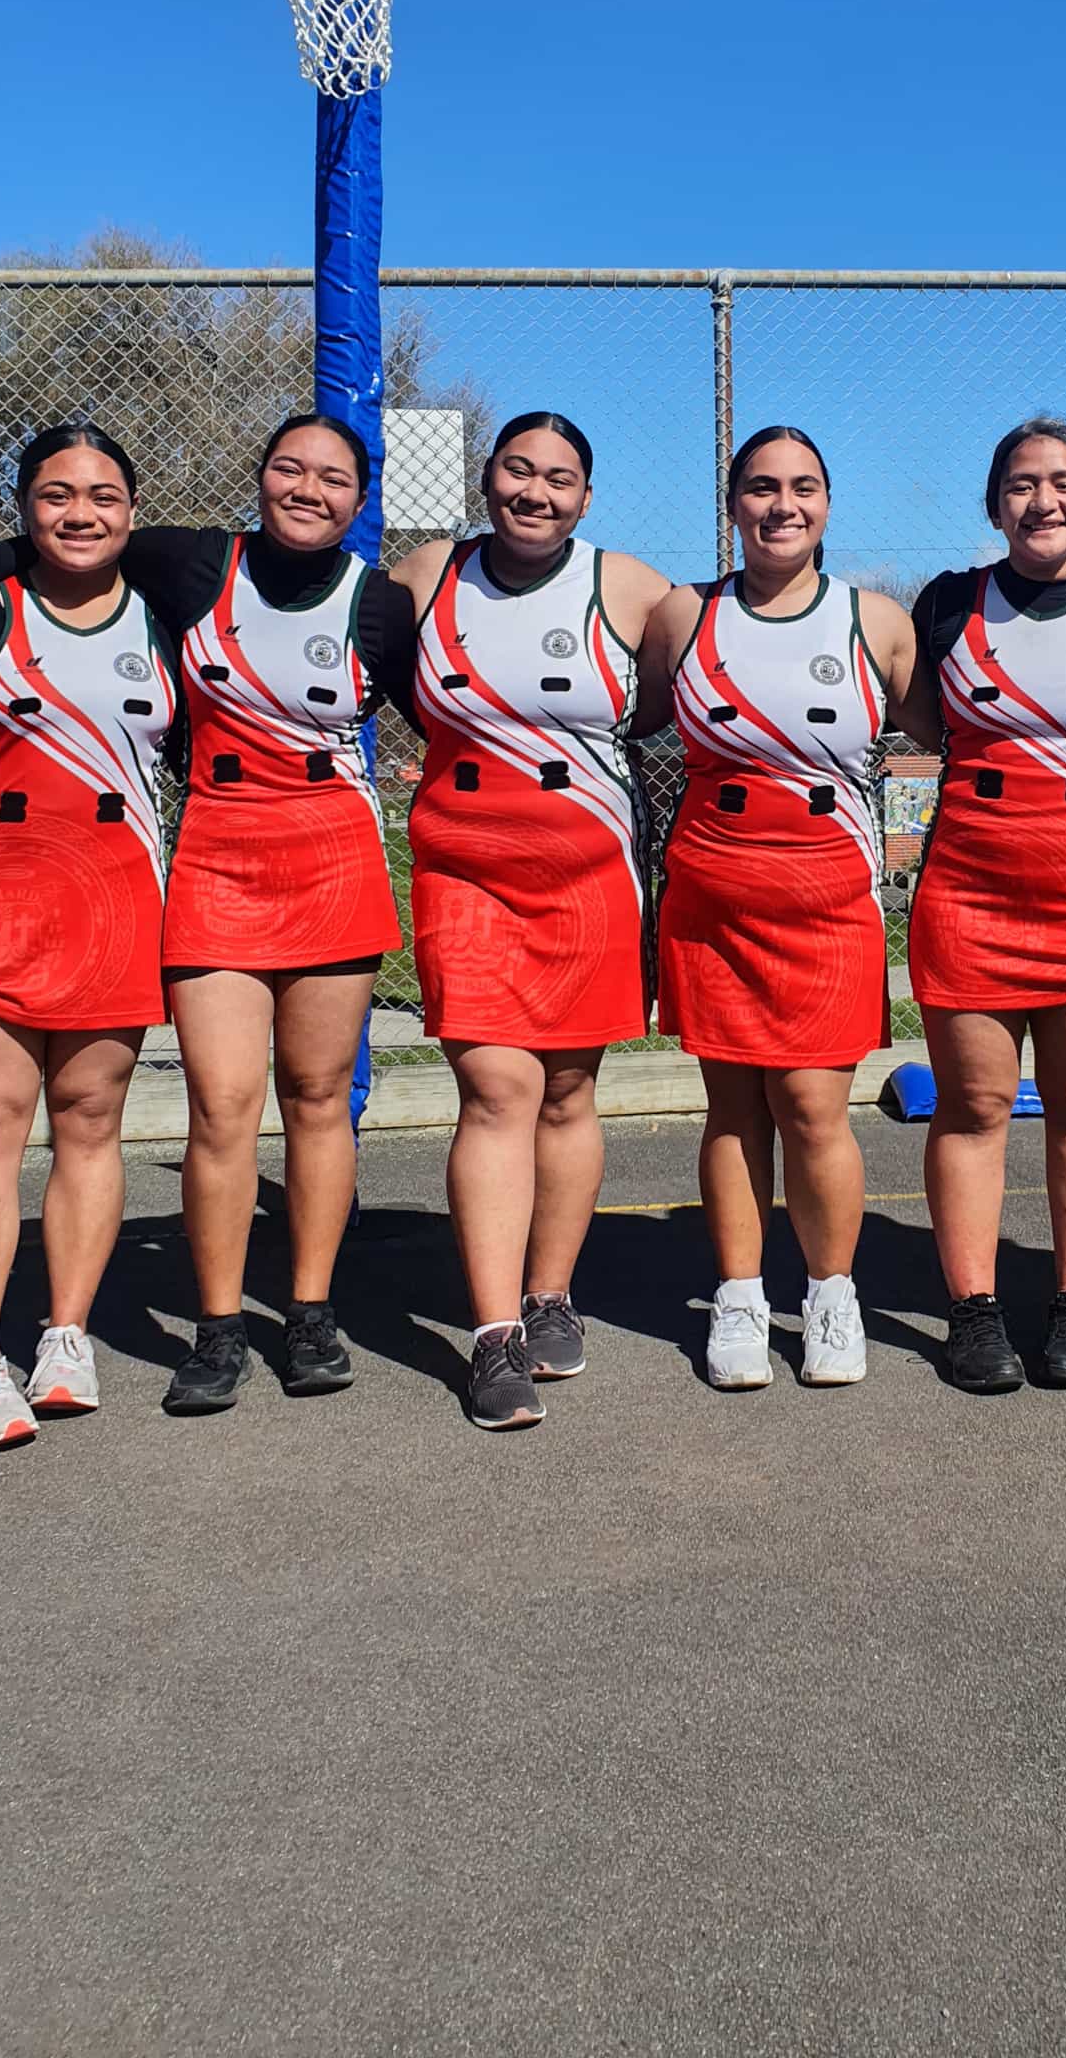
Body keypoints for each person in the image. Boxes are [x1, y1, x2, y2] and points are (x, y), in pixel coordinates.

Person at [0, 414, 418, 1418]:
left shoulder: (383, 604)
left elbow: (454, 705)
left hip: (329, 860)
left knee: (316, 1097)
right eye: (286, 467)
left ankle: (309, 1312)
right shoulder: (185, 567)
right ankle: (213, 1328)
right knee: (220, 1105)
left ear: (362, 498)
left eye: (333, 476)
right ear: (258, 477)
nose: (307, 488)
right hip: (213, 858)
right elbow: (58, 538)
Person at [0, 426, 176, 1450]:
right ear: (23, 506)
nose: (81, 512)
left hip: (118, 898)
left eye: (104, 494)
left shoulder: (167, 615)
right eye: (56, 493)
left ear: (132, 513)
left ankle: (66, 1333)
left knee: (91, 1118)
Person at [392, 412, 670, 1431]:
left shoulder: (631, 586)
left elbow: (711, 664)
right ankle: (494, 1331)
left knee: (565, 1087)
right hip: (465, 864)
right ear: (486, 478)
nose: (536, 491)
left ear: (586, 498)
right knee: (496, 1083)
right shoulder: (428, 573)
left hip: (593, 867)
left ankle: (554, 1293)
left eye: (559, 478)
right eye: (518, 470)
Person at [637, 426, 918, 1390]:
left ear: (829, 504)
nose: (782, 505)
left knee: (812, 1105)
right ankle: (740, 1294)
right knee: (733, 1106)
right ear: (733, 504)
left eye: (803, 487)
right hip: (715, 887)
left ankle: (832, 1293)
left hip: (830, 891)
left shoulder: (875, 621)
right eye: (761, 487)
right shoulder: (683, 615)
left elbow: (931, 733)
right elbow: (638, 719)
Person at [905, 418, 1066, 1392]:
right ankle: (972, 1313)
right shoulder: (947, 605)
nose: (1042, 500)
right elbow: (929, 723)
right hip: (970, 886)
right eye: (1020, 483)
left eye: (1063, 483)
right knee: (971, 1105)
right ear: (994, 502)